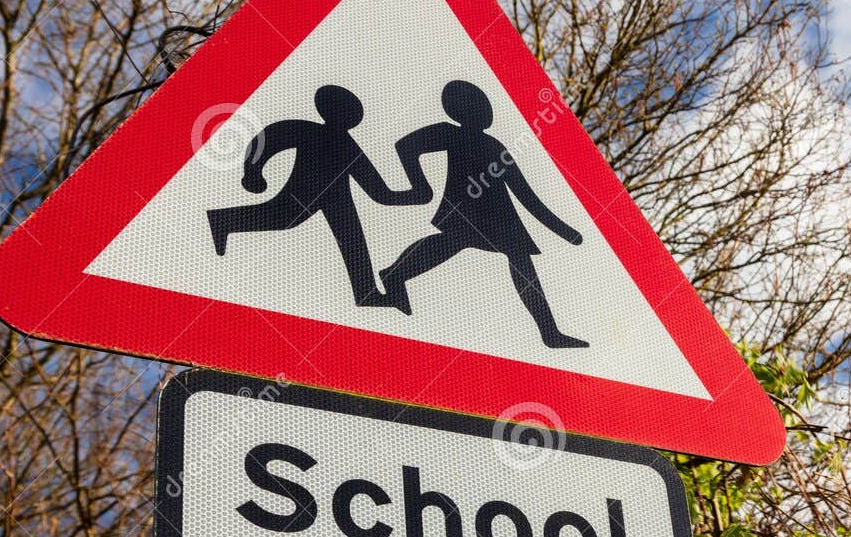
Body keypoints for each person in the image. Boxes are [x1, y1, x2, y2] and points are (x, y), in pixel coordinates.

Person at [380, 79, 589, 349]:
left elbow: (525, 194)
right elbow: (406, 146)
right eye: (480, 106)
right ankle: (395, 274)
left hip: (498, 215)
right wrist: (421, 187)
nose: (487, 112)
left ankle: (550, 333)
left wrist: (563, 230)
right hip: (468, 209)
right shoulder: (451, 133)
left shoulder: (493, 145)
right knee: (453, 244)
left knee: (507, 257)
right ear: (461, 109)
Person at [207, 84, 428, 307]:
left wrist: (415, 196)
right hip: (305, 192)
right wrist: (253, 172)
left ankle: (366, 293)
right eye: (349, 111)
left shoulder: (348, 145)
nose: (354, 116)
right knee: (283, 218)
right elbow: (269, 140)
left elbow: (378, 192)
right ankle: (222, 220)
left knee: (353, 242)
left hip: (338, 200)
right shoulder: (312, 132)